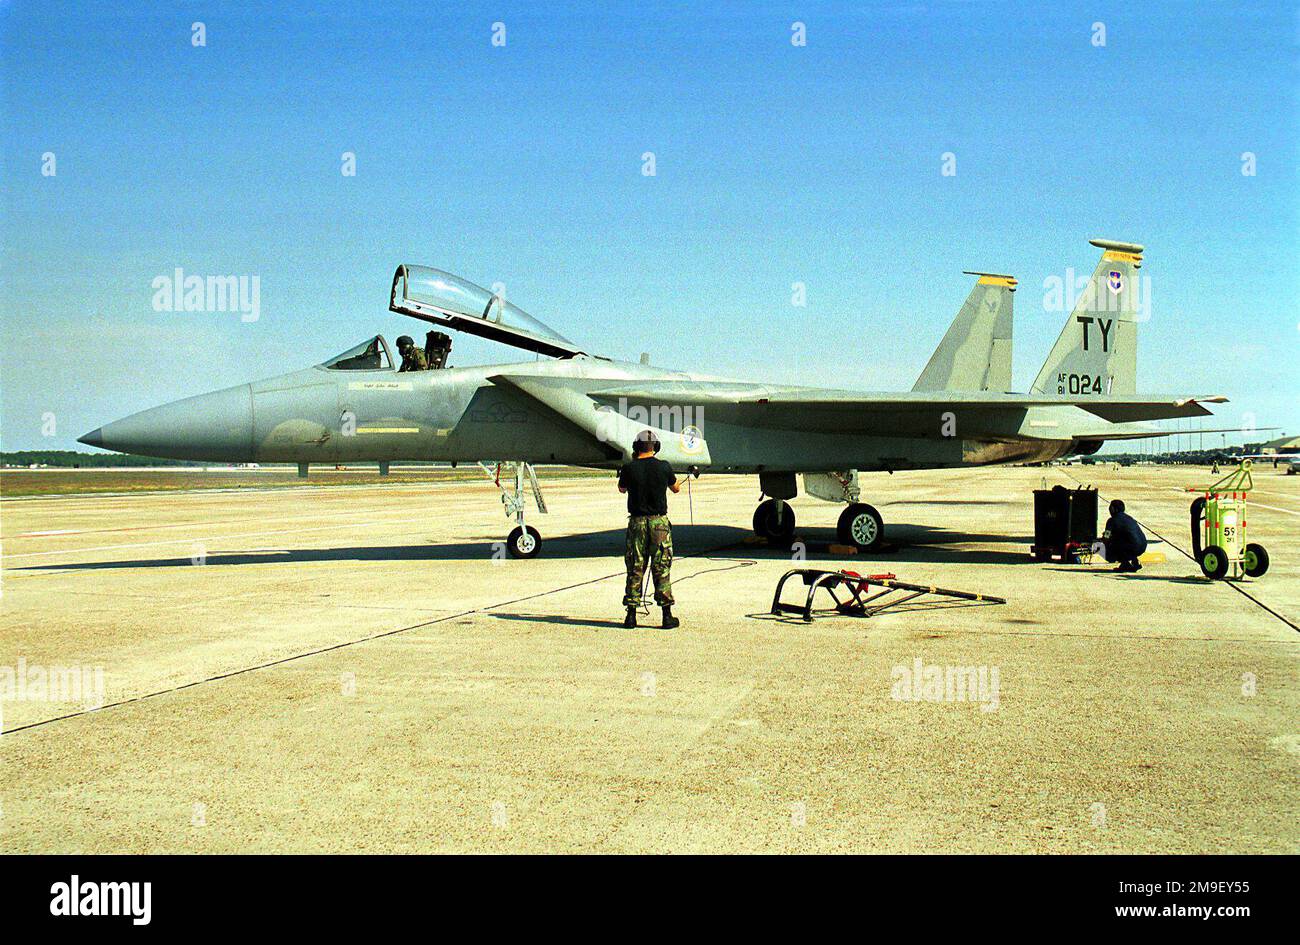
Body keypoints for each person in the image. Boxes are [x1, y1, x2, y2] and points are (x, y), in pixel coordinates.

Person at [618, 430, 681, 629]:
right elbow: (676, 488)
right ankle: (666, 615)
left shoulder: (629, 468)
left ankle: (631, 616)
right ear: (656, 447)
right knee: (661, 567)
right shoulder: (664, 467)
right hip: (659, 524)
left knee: (635, 566)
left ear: (636, 447)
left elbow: (621, 488)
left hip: (637, 523)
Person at [1102, 498, 1148, 572]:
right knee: (1125, 540)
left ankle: (1125, 564)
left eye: (1110, 508)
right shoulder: (1129, 518)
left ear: (1115, 509)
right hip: (1142, 547)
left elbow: (1106, 538)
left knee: (1108, 546)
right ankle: (1134, 562)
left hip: (1131, 548)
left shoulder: (1111, 521)